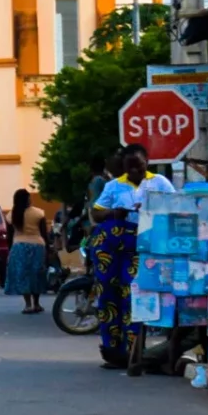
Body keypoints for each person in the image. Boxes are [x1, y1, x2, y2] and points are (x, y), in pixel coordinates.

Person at [88, 147, 168, 369]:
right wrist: (115, 213)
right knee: (108, 297)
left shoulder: (160, 182)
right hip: (111, 246)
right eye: (129, 167)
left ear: (147, 162)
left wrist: (152, 208)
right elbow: (96, 213)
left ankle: (133, 353)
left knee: (135, 296)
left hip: (141, 247)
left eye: (138, 165)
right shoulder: (113, 186)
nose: (134, 170)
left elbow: (175, 207)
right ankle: (113, 352)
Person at [3, 187, 49, 314]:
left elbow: (9, 235)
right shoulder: (39, 213)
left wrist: (10, 250)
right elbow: (44, 233)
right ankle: (37, 303)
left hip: (18, 247)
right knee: (36, 274)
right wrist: (48, 250)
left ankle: (28, 305)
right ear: (28, 199)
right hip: (37, 246)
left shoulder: (12, 215)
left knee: (23, 275)